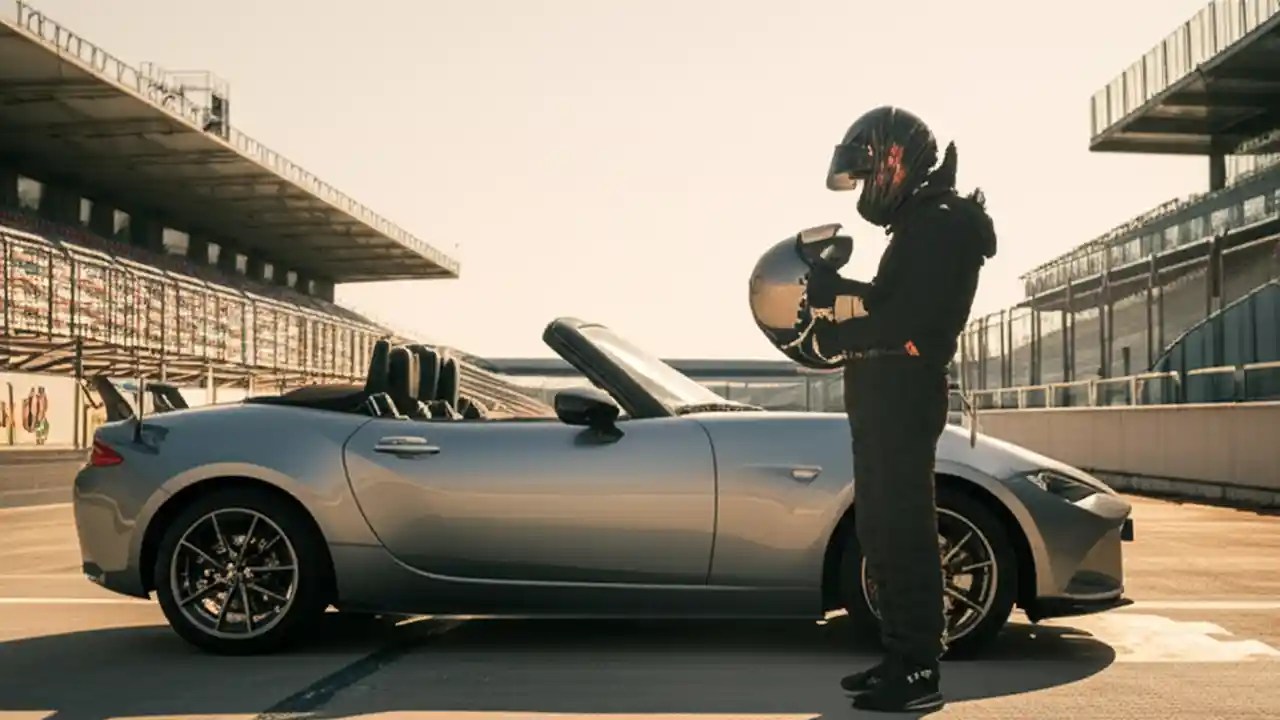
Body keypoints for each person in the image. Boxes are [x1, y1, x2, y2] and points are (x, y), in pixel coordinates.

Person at [806, 106, 997, 713]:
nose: (864, 190)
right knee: (881, 530)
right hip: (886, 392)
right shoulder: (922, 225)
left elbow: (912, 322)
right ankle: (900, 656)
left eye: (866, 176)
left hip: (904, 393)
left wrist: (837, 314)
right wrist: (840, 301)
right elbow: (893, 306)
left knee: (904, 530)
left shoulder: (942, 226)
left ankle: (918, 669)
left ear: (895, 160)